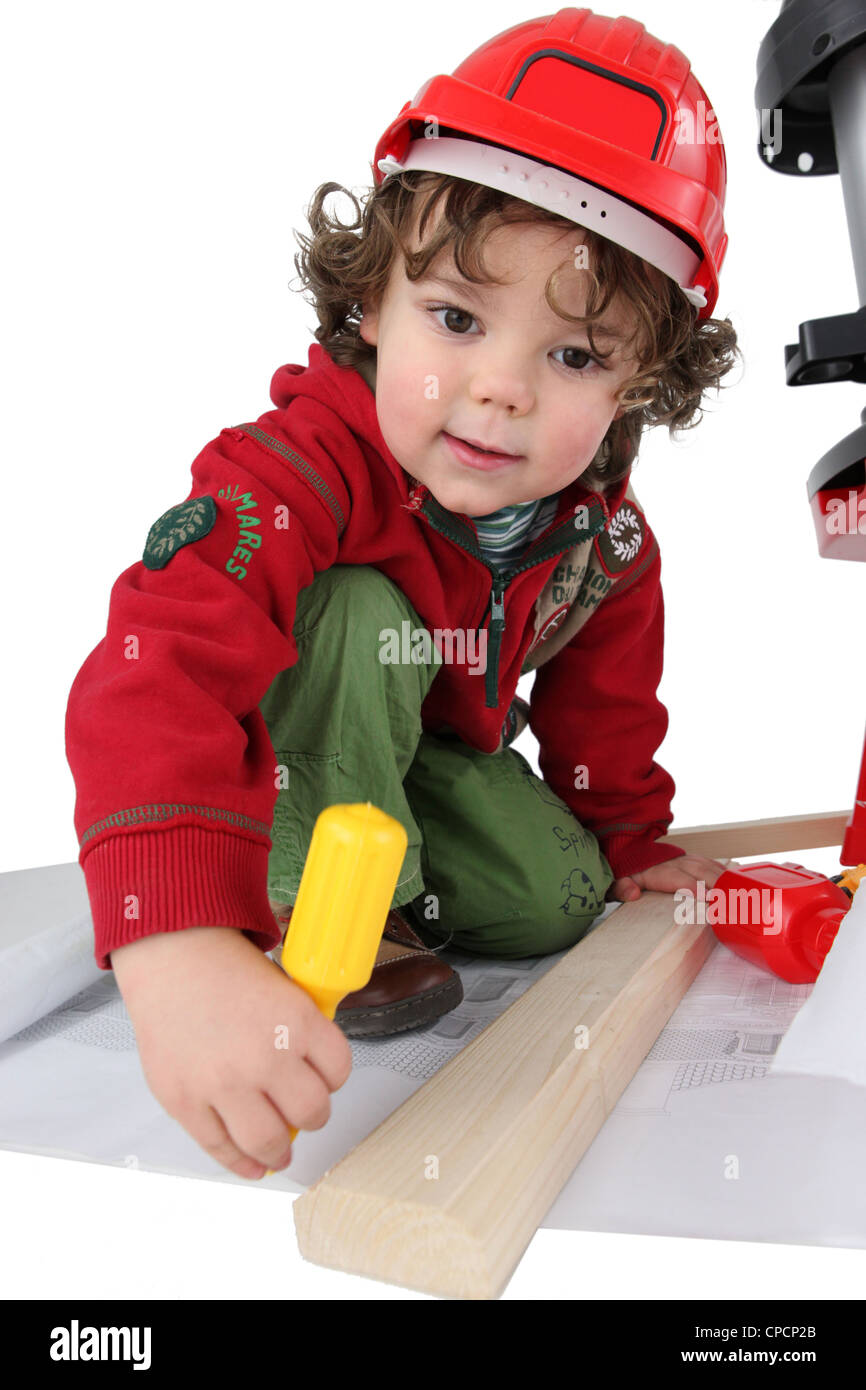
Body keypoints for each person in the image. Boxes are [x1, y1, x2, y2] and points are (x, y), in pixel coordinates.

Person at [64, 9, 742, 1181]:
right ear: (369, 302)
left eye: (573, 355)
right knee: (358, 615)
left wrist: (629, 833)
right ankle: (304, 904)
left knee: (558, 900)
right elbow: (154, 661)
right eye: (456, 318)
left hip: (415, 762)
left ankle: (408, 883)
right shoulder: (294, 474)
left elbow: (602, 708)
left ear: (641, 382)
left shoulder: (604, 540)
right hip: (297, 745)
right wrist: (170, 940)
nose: (500, 390)